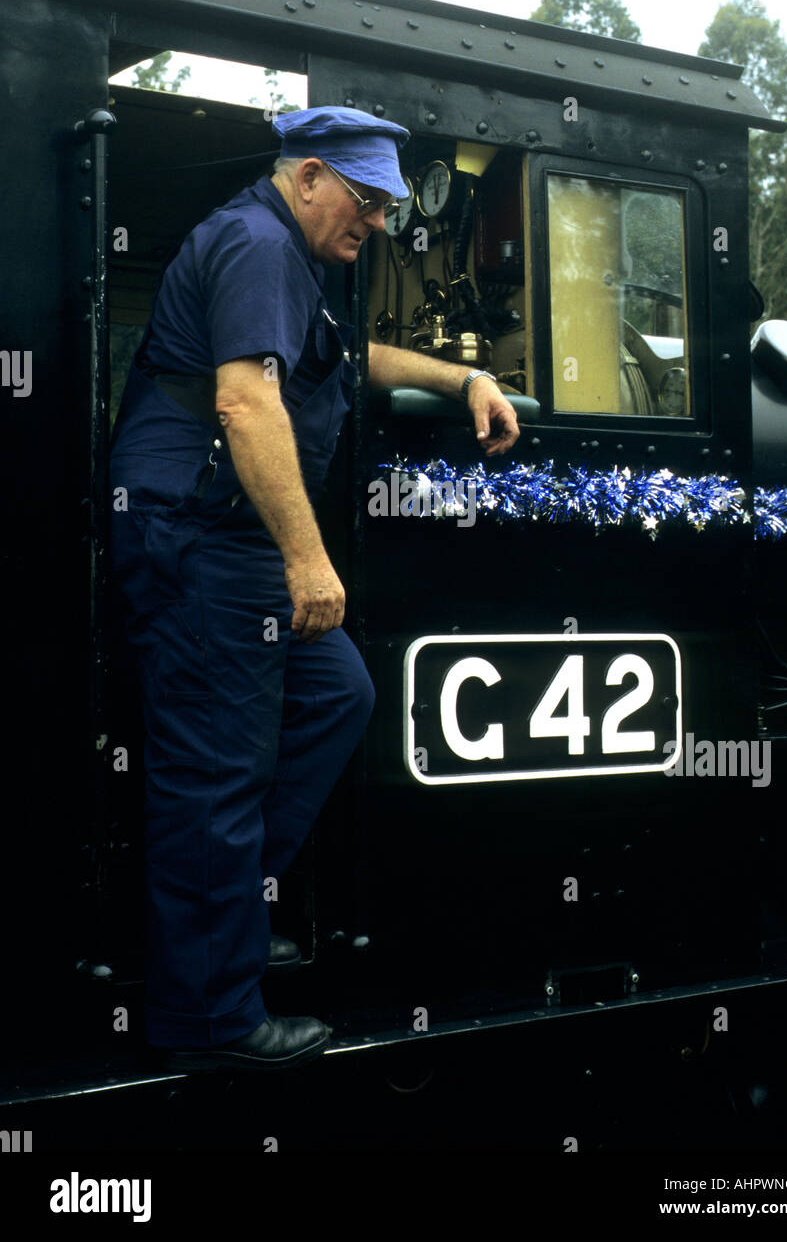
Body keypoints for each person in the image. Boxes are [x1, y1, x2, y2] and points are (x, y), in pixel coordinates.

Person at [109, 106, 520, 1071]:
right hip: (202, 533)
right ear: (307, 179)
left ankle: (219, 920)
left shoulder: (301, 264)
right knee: (219, 769)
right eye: (366, 199)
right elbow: (244, 402)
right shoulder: (257, 243)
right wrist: (306, 557)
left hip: (225, 531)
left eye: (383, 204)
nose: (377, 220)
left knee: (340, 692)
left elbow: (354, 361)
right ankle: (209, 1016)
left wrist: (463, 380)